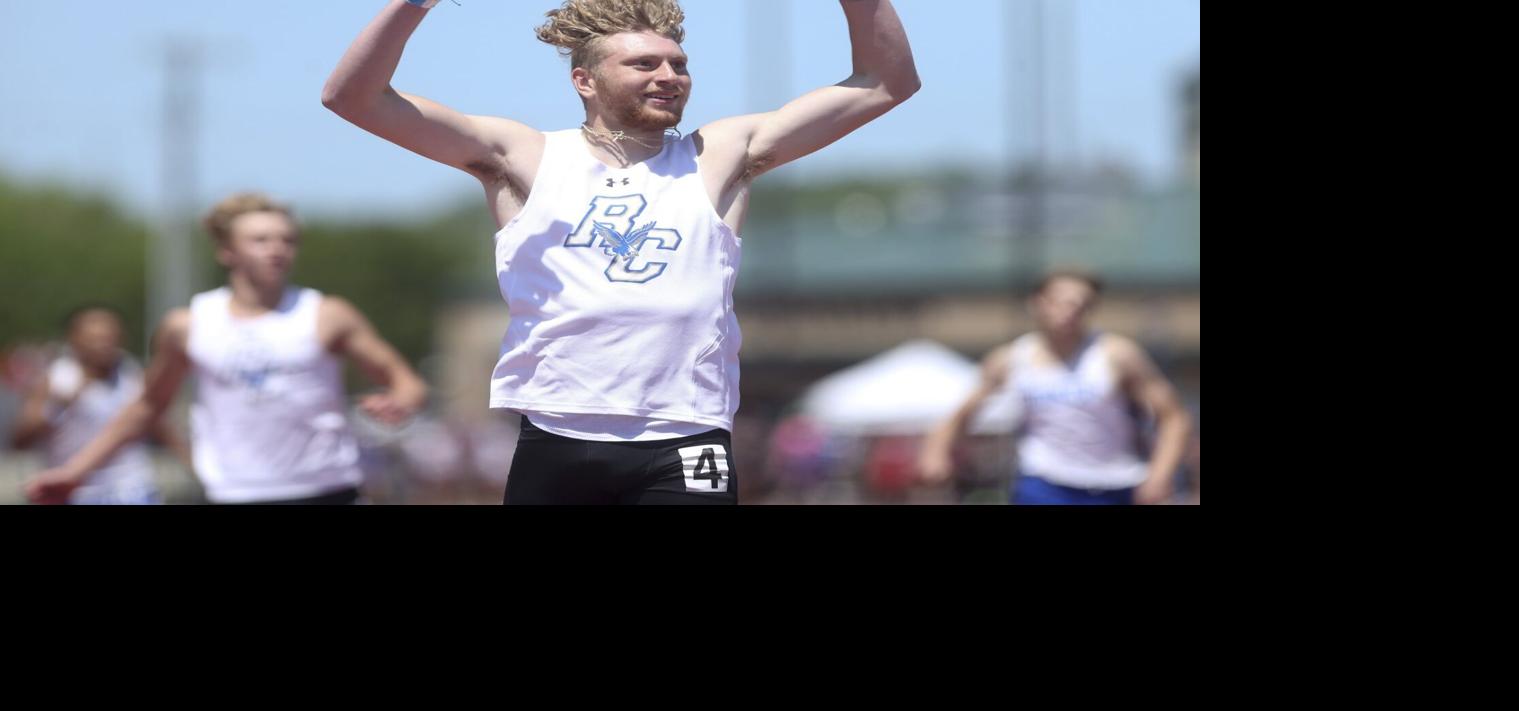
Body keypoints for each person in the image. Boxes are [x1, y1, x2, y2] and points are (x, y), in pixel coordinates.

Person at [322, 0, 919, 504]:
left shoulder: (718, 154)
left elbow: (886, 83)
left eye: (679, 64)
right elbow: (353, 97)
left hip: (685, 433)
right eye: (644, 63)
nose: (669, 75)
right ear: (585, 80)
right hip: (558, 432)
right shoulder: (525, 156)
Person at [25, 193, 428, 505]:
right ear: (227, 251)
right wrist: (75, 471)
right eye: (260, 239)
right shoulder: (189, 324)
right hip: (235, 490)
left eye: (287, 239)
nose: (277, 248)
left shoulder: (326, 314)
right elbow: (146, 407)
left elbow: (404, 380)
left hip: (326, 487)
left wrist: (402, 402)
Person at [918, 270, 1192, 506]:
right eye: (1060, 302)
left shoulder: (1116, 354)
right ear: (1037, 304)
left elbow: (1174, 417)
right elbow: (962, 412)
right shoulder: (1011, 358)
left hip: (1113, 480)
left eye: (1079, 304)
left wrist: (1161, 473)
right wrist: (936, 451)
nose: (1069, 311)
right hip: (1044, 480)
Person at [11, 307, 185, 504]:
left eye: (109, 337)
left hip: (132, 488)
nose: (103, 345)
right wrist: (59, 406)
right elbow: (20, 440)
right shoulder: (56, 379)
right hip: (76, 493)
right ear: (73, 339)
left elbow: (158, 424)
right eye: (94, 338)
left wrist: (190, 460)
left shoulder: (132, 373)